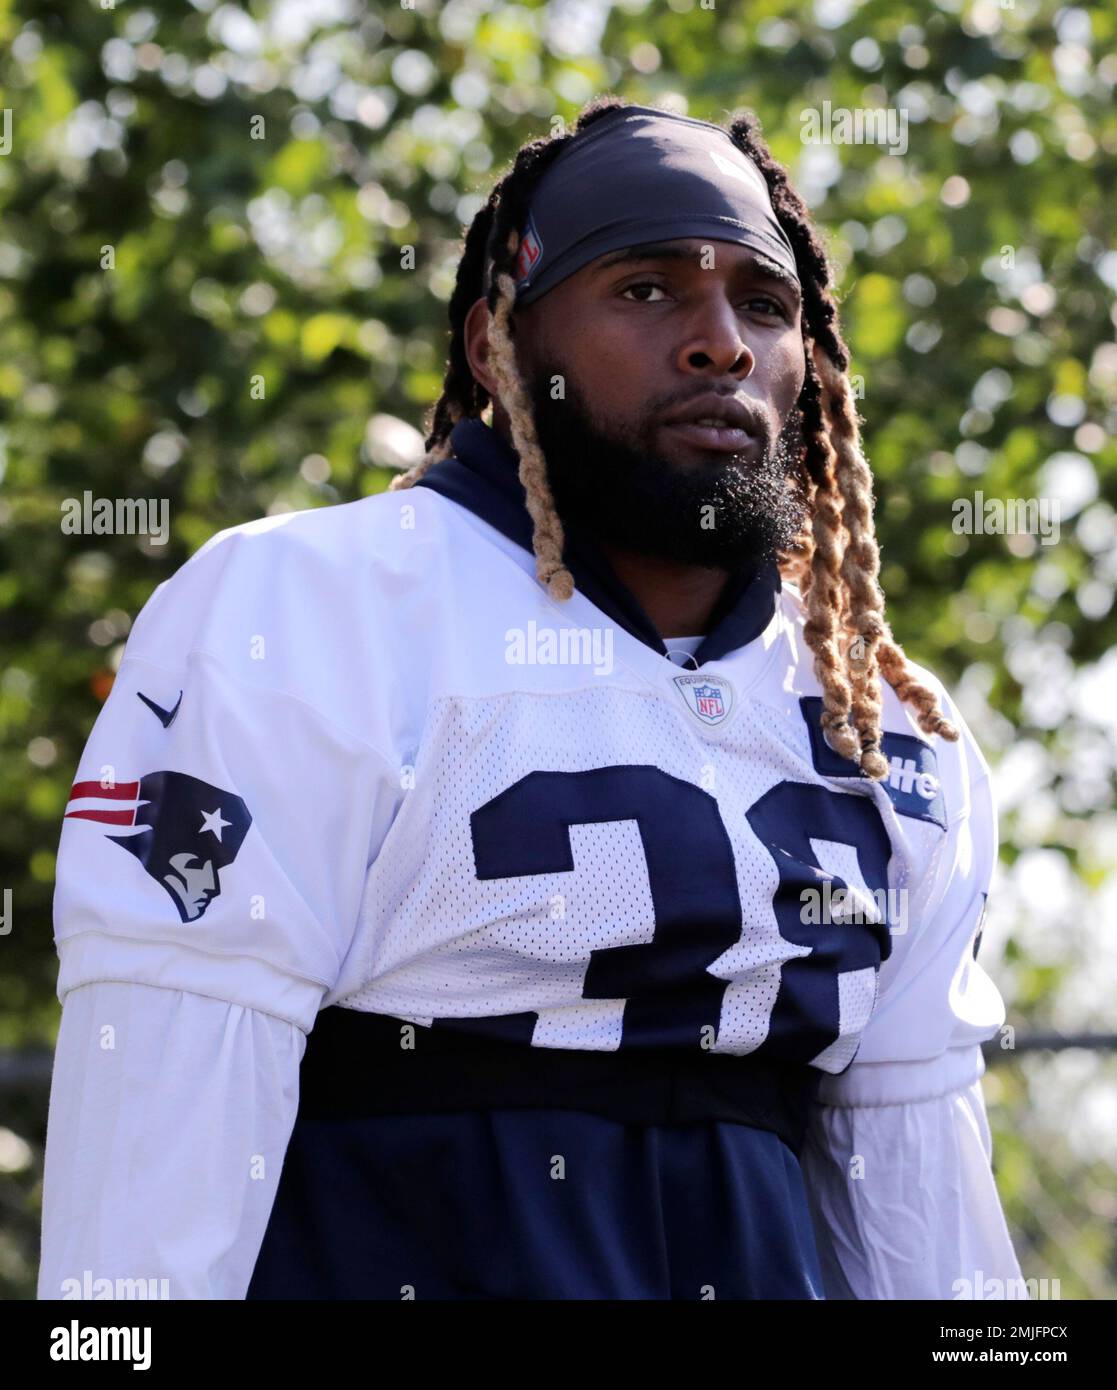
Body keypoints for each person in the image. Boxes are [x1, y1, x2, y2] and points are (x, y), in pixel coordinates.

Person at [38, 97, 1023, 1300]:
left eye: (762, 305)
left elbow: (925, 1223)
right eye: (647, 289)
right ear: (496, 349)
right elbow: (151, 1176)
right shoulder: (299, 605)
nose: (718, 340)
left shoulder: (894, 724)